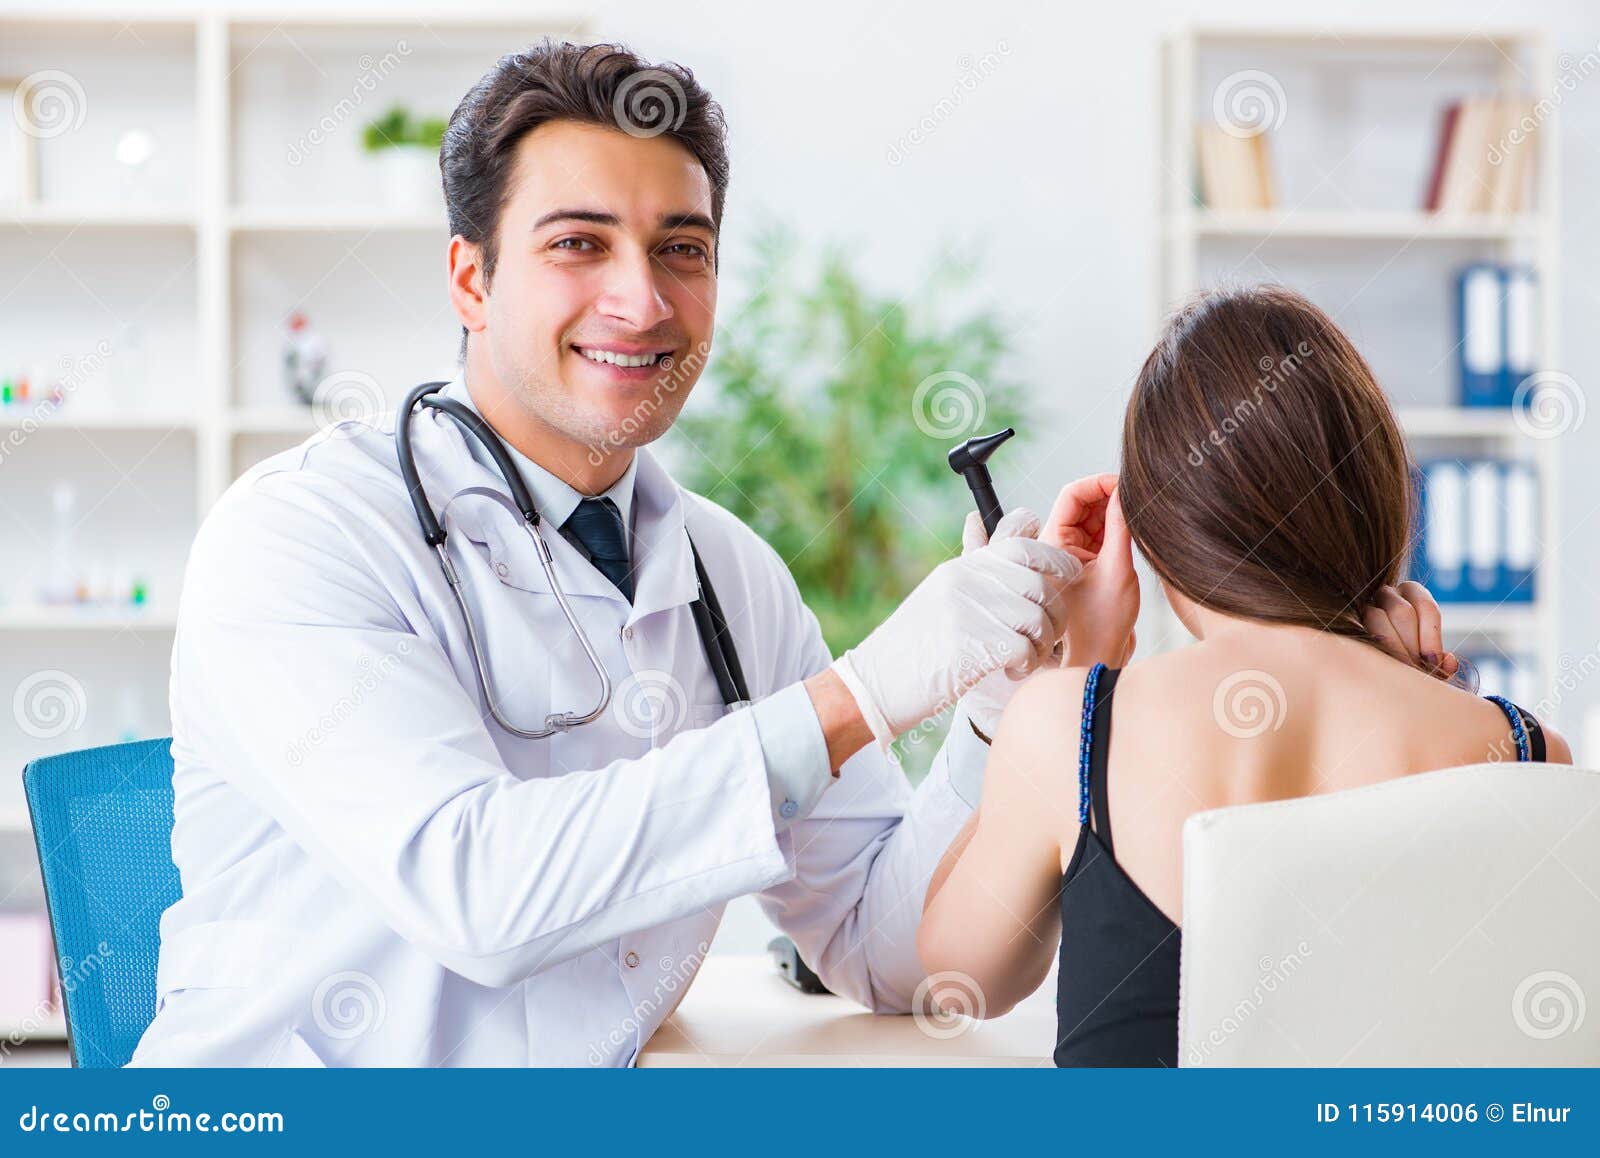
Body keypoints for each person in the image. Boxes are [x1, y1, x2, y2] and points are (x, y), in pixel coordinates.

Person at [129, 40, 1092, 1067]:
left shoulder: (729, 576)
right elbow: (479, 895)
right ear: (470, 278)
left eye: (683, 248)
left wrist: (993, 716)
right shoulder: (302, 535)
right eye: (580, 244)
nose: (642, 302)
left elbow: (892, 952)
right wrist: (862, 695)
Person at [916, 284, 1572, 1068]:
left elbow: (959, 980)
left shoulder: (1073, 731)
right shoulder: (1532, 758)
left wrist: (1079, 669)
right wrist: (1407, 688)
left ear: (1154, 543)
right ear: (1380, 502)